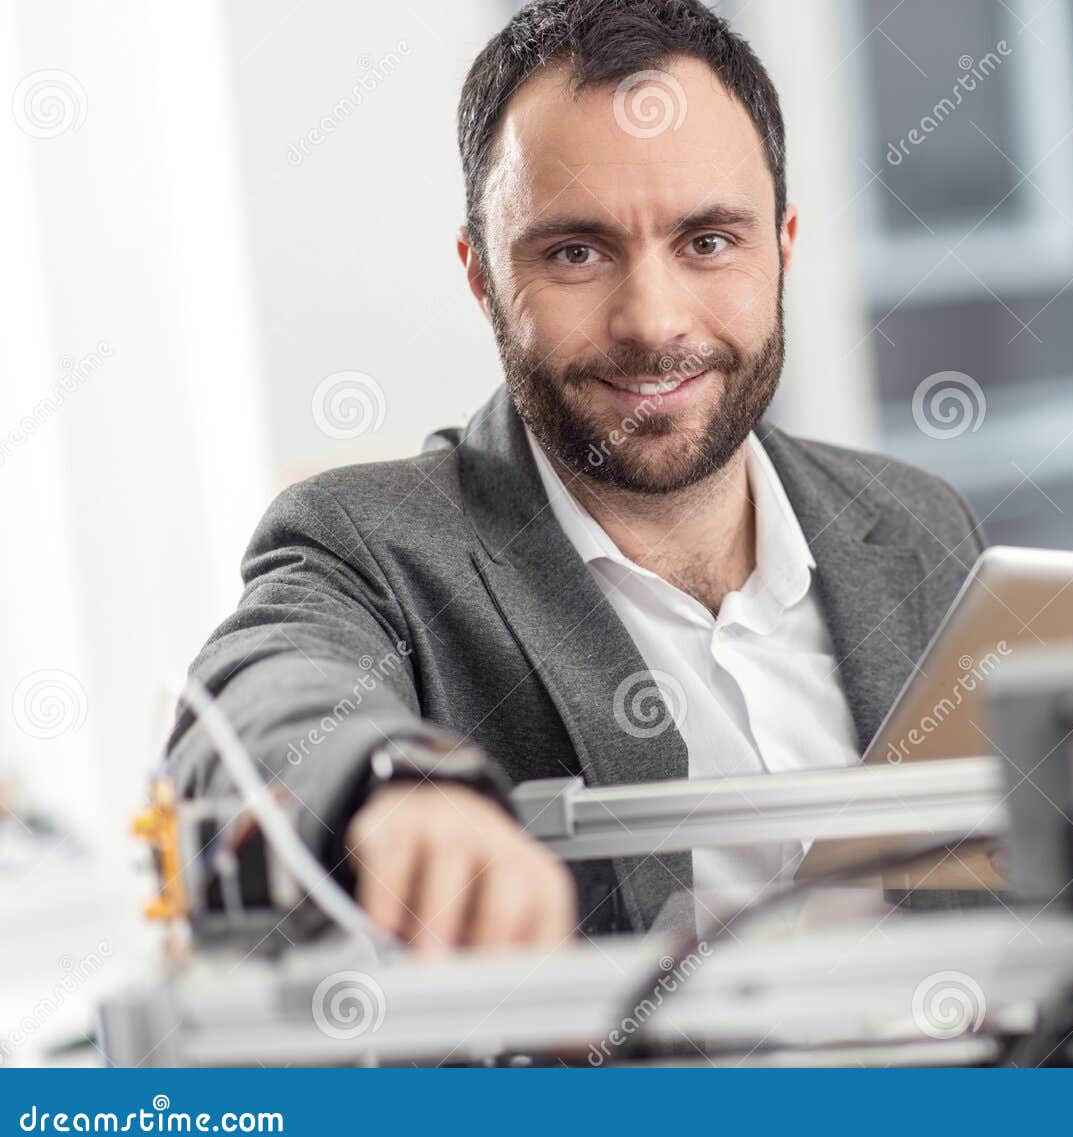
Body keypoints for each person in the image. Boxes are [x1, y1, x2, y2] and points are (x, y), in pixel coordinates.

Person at [167, 0, 986, 951]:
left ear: (783, 246)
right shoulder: (370, 548)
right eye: (577, 253)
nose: (653, 320)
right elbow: (250, 702)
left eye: (708, 241)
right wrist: (384, 781)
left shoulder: (920, 526)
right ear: (482, 279)